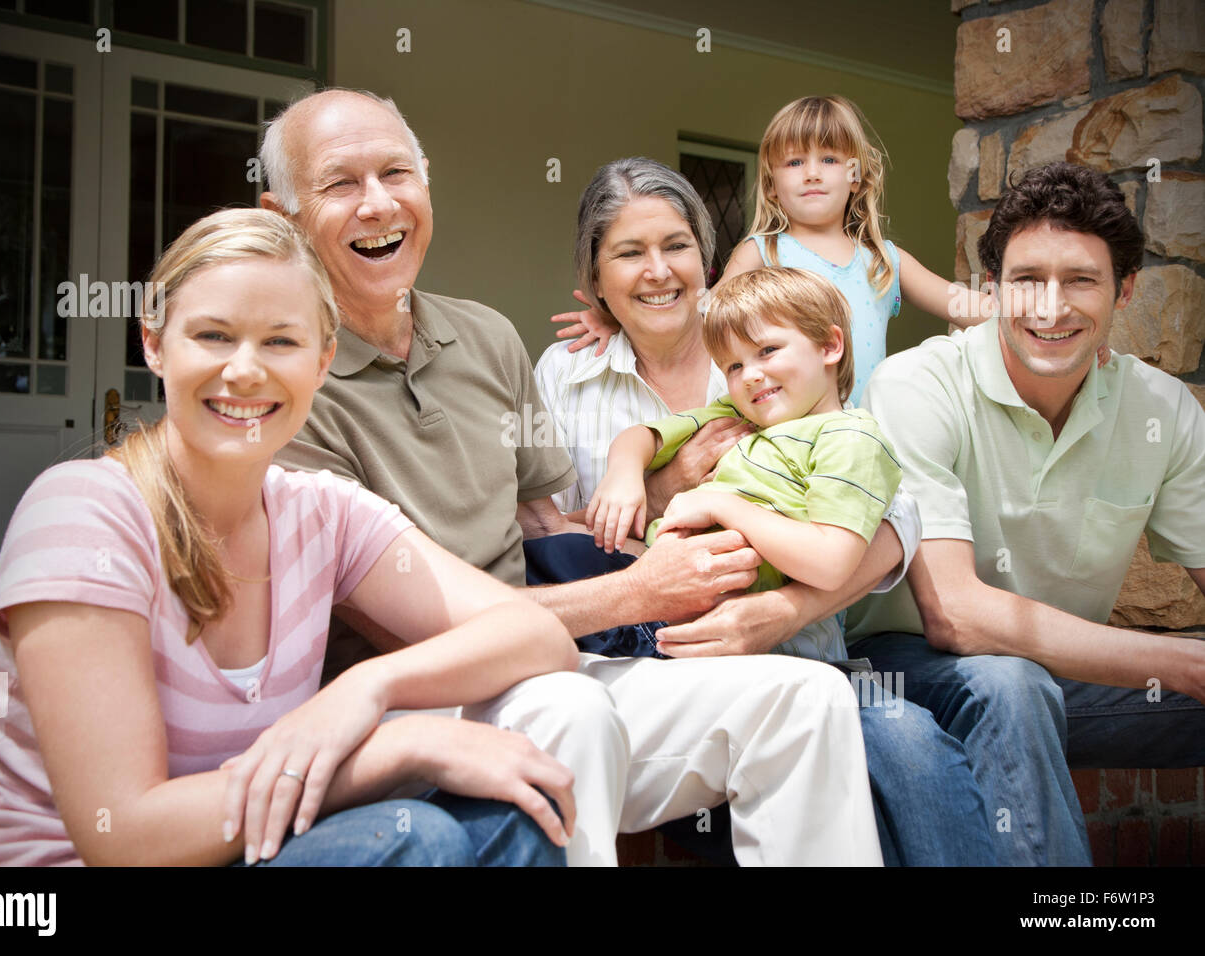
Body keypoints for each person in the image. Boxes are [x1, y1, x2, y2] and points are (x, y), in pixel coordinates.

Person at [265, 88, 884, 866]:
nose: (379, 204)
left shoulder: (485, 338)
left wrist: (669, 559)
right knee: (572, 707)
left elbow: (545, 527)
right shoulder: (284, 384)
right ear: (283, 216)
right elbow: (406, 625)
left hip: (553, 658)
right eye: (341, 183)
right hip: (412, 697)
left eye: (397, 172)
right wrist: (643, 589)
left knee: (808, 698)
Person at [0, 208, 579, 867]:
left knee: (514, 816)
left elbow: (536, 637)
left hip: (235, 851)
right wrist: (399, 747)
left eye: (280, 342)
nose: (246, 371)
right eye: (213, 336)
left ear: (323, 359)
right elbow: (122, 838)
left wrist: (368, 689)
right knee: (416, 838)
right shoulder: (84, 513)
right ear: (155, 345)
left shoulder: (321, 512)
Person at [532, 157, 994, 865]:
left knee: (901, 744)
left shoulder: (760, 348)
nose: (657, 271)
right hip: (651, 667)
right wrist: (663, 494)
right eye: (629, 253)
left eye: (676, 246)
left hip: (803, 657)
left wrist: (787, 610)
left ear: (707, 259)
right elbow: (547, 530)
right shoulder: (567, 372)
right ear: (595, 278)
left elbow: (895, 513)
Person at [847, 161, 1205, 866]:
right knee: (1011, 682)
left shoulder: (1164, 410)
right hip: (904, 668)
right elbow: (956, 615)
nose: (1049, 307)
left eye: (1080, 280)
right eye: (1026, 280)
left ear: (1124, 290)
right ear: (992, 288)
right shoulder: (919, 385)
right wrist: (1189, 662)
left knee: (1026, 683)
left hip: (1059, 678)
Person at [557, 96, 995, 405]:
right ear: (772, 182)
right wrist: (617, 315)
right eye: (793, 162)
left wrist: (1026, 303)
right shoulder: (763, 251)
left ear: (857, 176)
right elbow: (699, 310)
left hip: (866, 429)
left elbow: (959, 304)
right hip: (788, 432)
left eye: (829, 159)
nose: (811, 174)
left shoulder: (884, 259)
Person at [588, 267, 902, 663]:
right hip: (650, 600)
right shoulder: (736, 414)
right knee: (550, 552)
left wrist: (723, 506)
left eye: (767, 351)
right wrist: (624, 472)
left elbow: (830, 563)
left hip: (767, 655)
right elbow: (642, 437)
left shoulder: (849, 438)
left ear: (828, 345)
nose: (750, 376)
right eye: (733, 366)